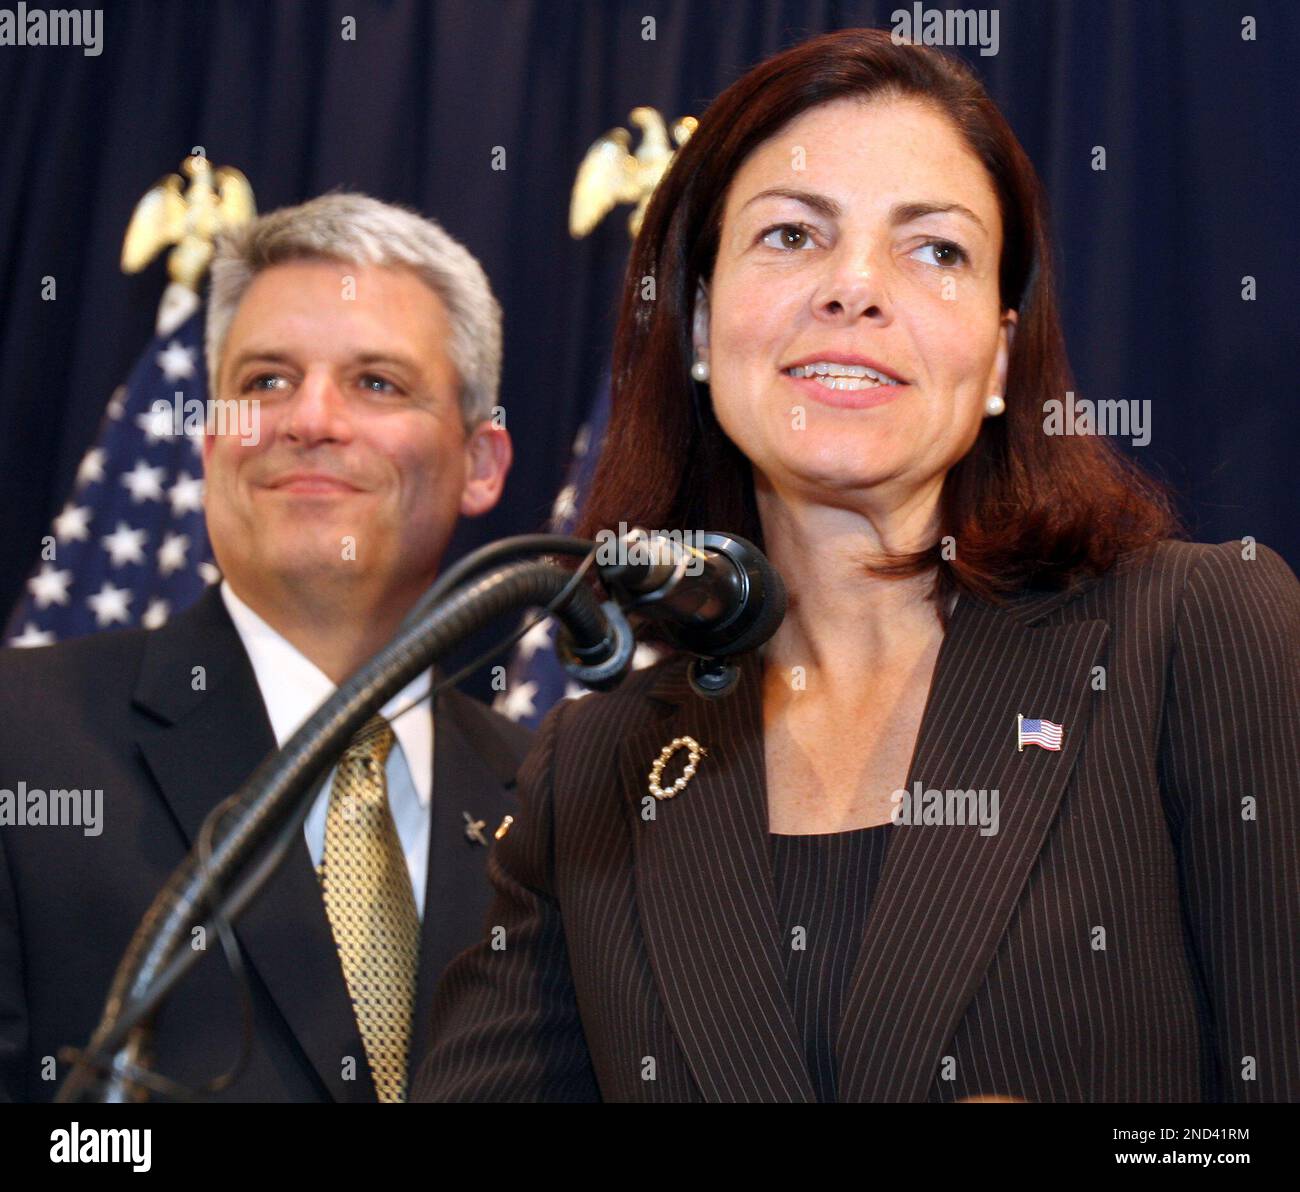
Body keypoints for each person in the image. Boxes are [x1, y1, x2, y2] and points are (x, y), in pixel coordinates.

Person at [412, 29, 1299, 1103]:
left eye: (935, 251)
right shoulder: (590, 769)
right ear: (698, 325)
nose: (854, 288)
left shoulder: (1203, 635)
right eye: (791, 234)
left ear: (999, 359)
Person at [0, 193, 531, 1103]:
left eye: (376, 383)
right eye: (264, 383)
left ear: (480, 462)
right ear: (211, 445)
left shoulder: (558, 800)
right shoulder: (21, 734)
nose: (307, 420)